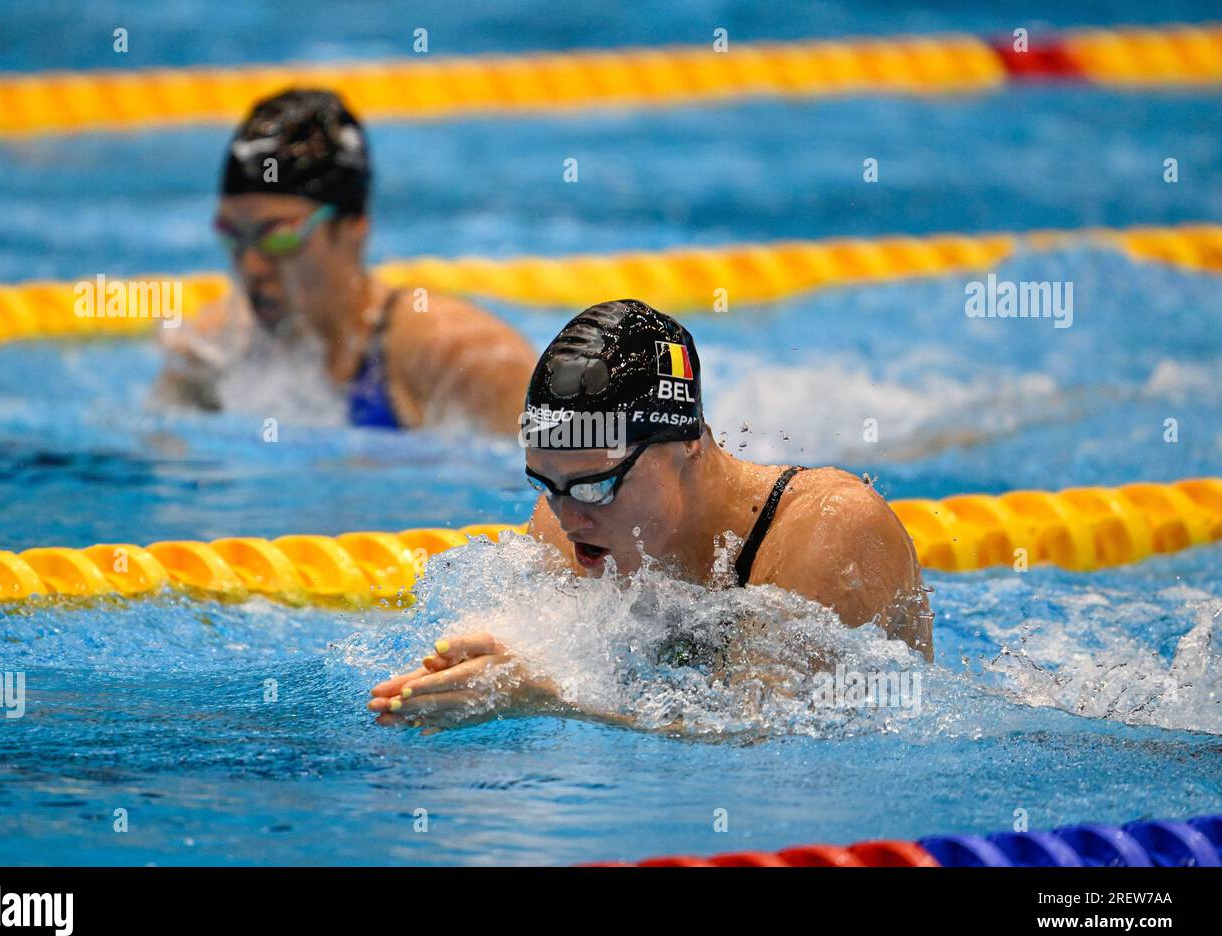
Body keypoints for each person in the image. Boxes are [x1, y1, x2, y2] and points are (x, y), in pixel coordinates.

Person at [369, 299, 934, 727]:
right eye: (546, 484)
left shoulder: (828, 533)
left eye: (596, 487)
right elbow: (541, 654)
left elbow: (764, 738)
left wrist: (550, 697)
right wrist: (469, 675)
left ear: (687, 442)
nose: (568, 520)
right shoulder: (564, 523)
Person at [152, 88, 535, 433]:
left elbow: (562, 491)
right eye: (234, 237)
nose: (251, 266)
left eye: (278, 236)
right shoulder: (214, 351)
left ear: (354, 228)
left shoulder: (466, 360)